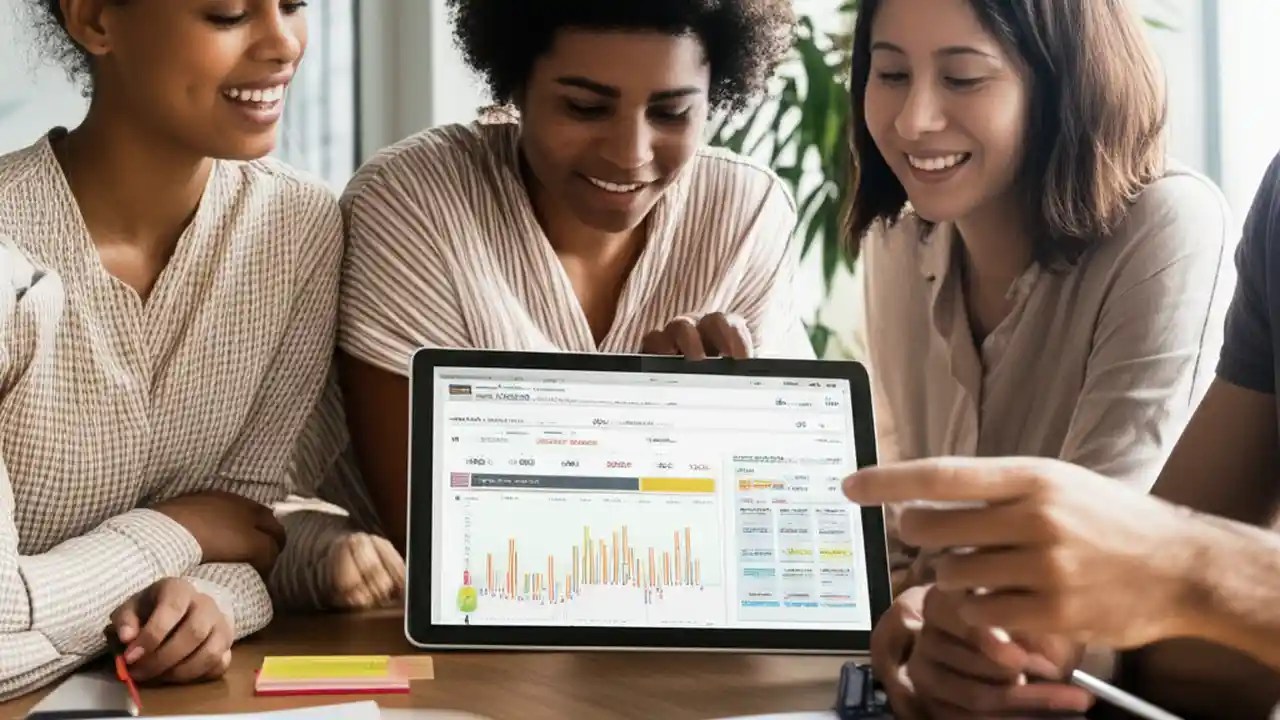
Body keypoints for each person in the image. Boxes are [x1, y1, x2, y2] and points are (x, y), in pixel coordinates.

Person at [844, 0, 1235, 715]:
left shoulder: (1167, 226)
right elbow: (900, 540)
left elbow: (1101, 557)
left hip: (1092, 684)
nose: (912, 121)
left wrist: (953, 624)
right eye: (891, 72)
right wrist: (904, 615)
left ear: (1062, 85)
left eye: (963, 78)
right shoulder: (897, 241)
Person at [322, 0, 812, 553]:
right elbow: (441, 543)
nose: (631, 155)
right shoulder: (415, 204)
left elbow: (771, 527)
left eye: (671, 113)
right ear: (516, 86)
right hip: (430, 631)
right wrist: (658, 436)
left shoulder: (745, 214)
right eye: (585, 108)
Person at [0, 0, 358, 699]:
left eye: (295, 5)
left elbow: (250, 536)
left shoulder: (298, 231)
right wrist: (177, 530)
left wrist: (212, 607)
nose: (284, 43)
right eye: (228, 14)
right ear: (96, 21)